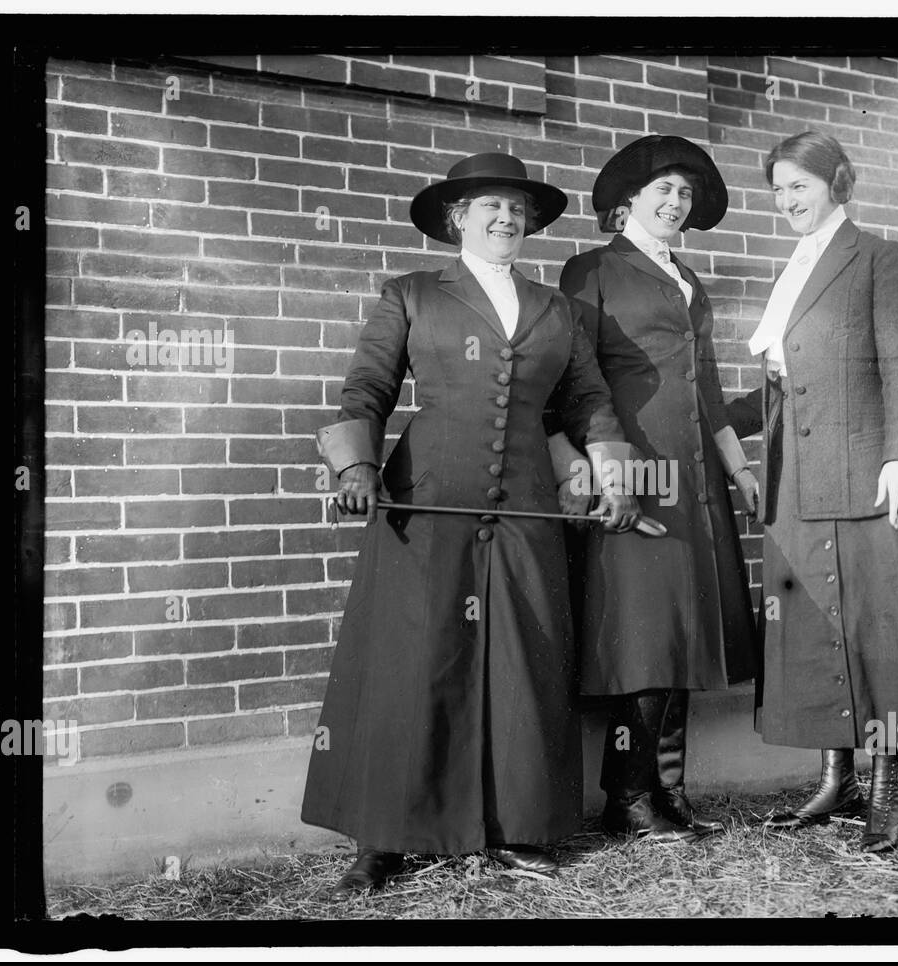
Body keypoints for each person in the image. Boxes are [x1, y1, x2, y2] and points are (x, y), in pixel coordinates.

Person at [301, 152, 638, 895]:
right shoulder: (414, 294)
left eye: (517, 208)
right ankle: (383, 837)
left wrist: (613, 475)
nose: (505, 218)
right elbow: (366, 387)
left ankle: (517, 827)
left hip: (524, 505)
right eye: (489, 206)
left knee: (523, 660)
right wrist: (355, 468)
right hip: (426, 504)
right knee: (411, 664)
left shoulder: (558, 309)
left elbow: (590, 403)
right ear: (458, 218)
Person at [727, 130, 898, 852]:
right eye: (779, 188)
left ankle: (887, 790)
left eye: (801, 185)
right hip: (794, 480)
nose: (788, 199)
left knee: (879, 628)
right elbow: (782, 388)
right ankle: (836, 780)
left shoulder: (879, 257)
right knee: (815, 627)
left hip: (860, 472)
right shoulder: (791, 269)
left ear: (837, 182)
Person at [547, 135, 758, 843]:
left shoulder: (690, 281)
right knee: (643, 637)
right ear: (628, 200)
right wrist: (583, 469)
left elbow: (708, 388)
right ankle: (626, 798)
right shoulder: (592, 270)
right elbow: (568, 377)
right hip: (632, 477)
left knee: (684, 633)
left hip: (695, 483)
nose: (676, 202)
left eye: (686, 194)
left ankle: (668, 792)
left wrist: (738, 468)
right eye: (663, 189)